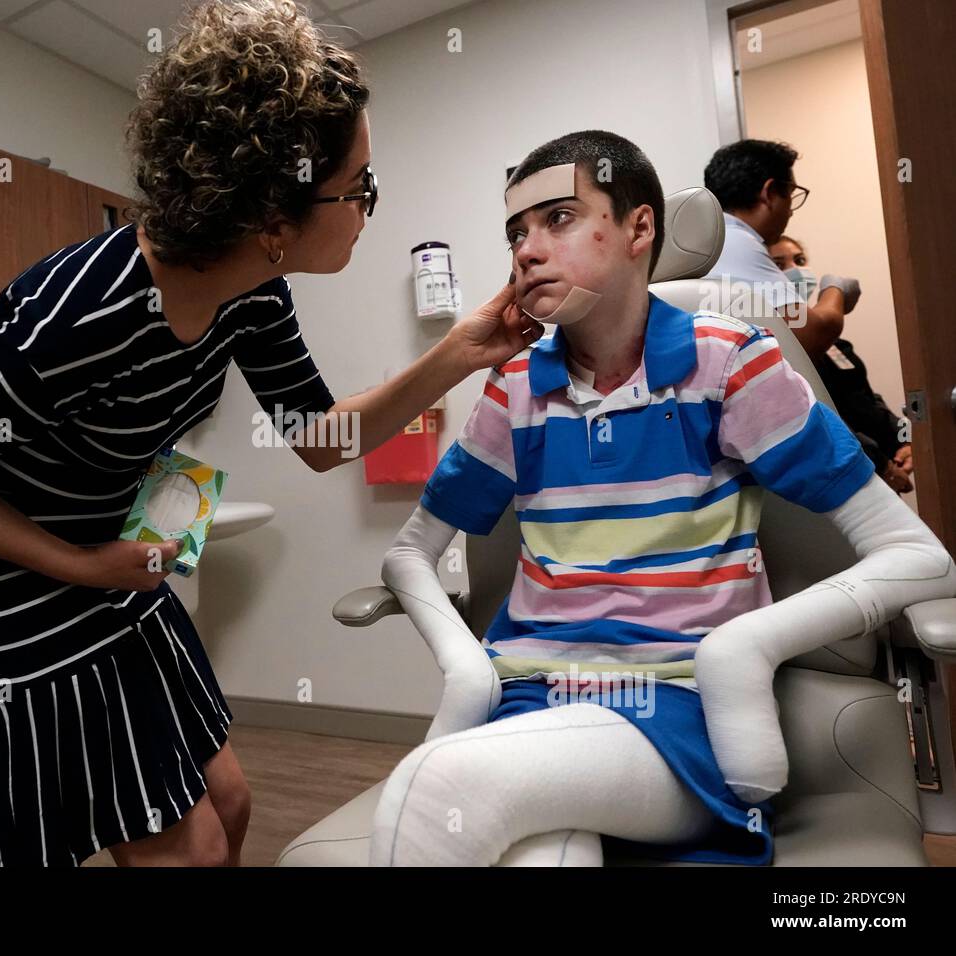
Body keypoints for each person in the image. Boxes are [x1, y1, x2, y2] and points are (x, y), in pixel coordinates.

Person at [0, 0, 540, 867]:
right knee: (190, 850)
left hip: (104, 560)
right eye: (357, 187)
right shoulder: (80, 318)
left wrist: (460, 352)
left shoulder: (254, 291)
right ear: (272, 220)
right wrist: (81, 565)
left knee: (231, 803)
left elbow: (316, 435)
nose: (367, 205)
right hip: (5, 595)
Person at [369, 130, 954, 866]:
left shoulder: (726, 361)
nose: (525, 248)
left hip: (674, 713)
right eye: (517, 231)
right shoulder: (515, 388)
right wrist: (464, 666)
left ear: (640, 228)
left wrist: (745, 645)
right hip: (528, 705)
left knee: (437, 791)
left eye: (556, 218)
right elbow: (409, 554)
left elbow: (921, 558)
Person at [768, 234, 912, 494]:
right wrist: (882, 467)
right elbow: (823, 417)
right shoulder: (774, 349)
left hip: (880, 472)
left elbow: (868, 401)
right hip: (846, 480)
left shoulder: (835, 344)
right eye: (779, 265)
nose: (795, 271)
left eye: (799, 260)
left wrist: (907, 439)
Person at [702, 139, 858, 358]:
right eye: (792, 195)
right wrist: (835, 289)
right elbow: (811, 336)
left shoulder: (707, 239)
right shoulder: (737, 243)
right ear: (770, 192)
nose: (791, 212)